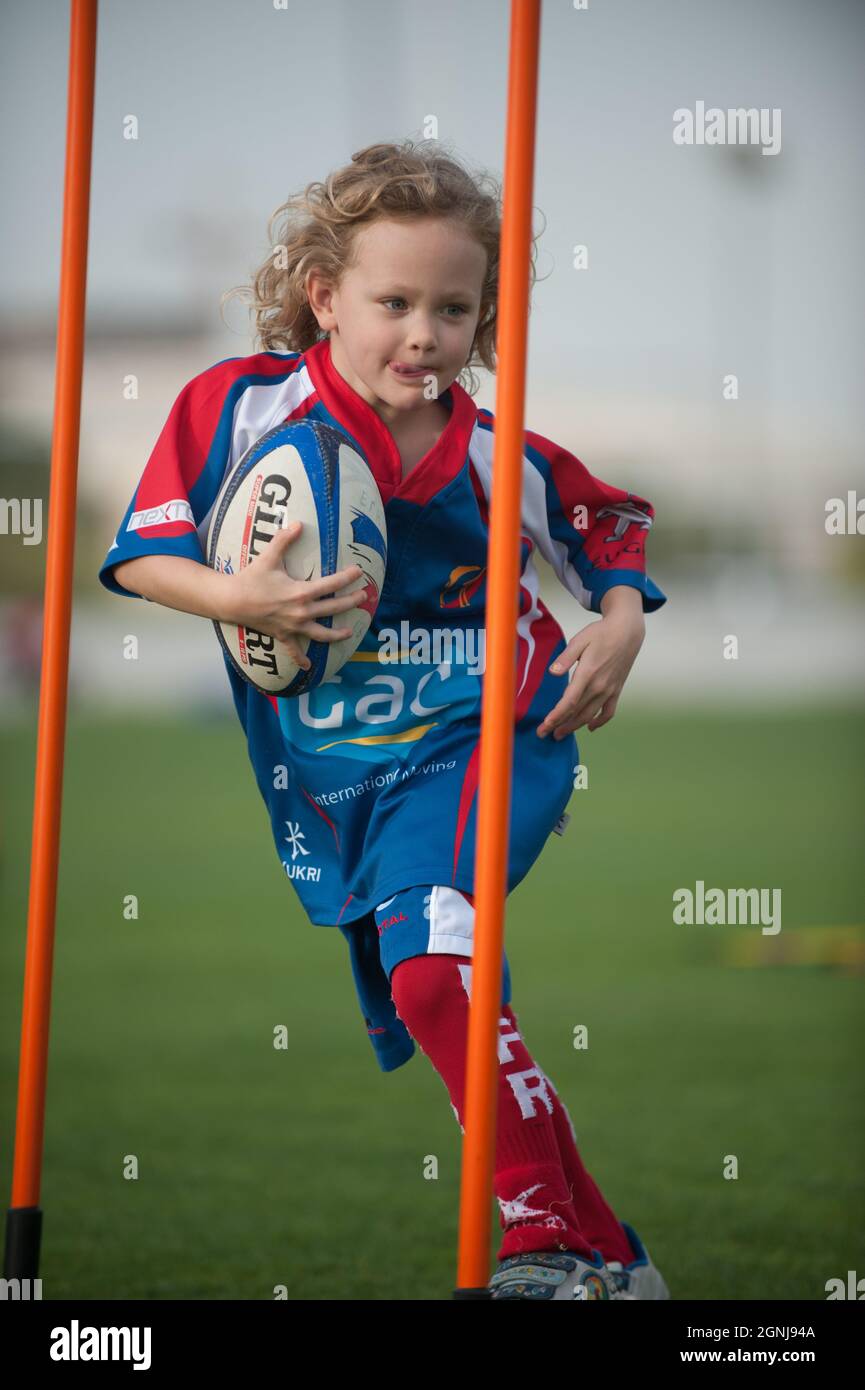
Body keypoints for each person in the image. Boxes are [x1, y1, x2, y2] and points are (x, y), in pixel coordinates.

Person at [99, 139, 669, 1301]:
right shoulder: (238, 408)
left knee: (432, 978)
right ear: (324, 298)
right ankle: (614, 1262)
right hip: (342, 769)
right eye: (395, 302)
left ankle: (540, 1243)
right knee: (448, 989)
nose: (425, 334)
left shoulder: (495, 454)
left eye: (454, 309)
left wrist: (620, 624)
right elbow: (142, 554)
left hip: (498, 735)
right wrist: (237, 597)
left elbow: (603, 530)